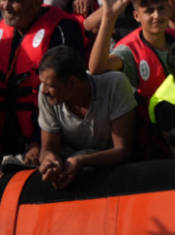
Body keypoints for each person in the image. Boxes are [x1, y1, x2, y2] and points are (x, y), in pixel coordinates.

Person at [0, 0, 87, 164]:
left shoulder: (62, 30)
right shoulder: (3, 30)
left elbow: (65, 93)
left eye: (15, 0)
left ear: (37, 2)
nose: (6, 6)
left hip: (48, 138)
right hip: (4, 134)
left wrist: (39, 142)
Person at [32, 47, 134, 188]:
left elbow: (123, 150)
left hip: (112, 168)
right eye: (42, 83)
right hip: (71, 160)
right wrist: (49, 160)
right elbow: (48, 149)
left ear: (72, 83)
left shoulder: (115, 84)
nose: (44, 90)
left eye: (50, 85)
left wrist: (81, 161)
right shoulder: (47, 95)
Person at [90, 0, 175, 103]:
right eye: (149, 11)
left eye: (161, 9)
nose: (157, 15)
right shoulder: (129, 50)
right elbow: (97, 68)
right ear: (137, 16)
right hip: (151, 120)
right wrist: (109, 16)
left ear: (169, 10)